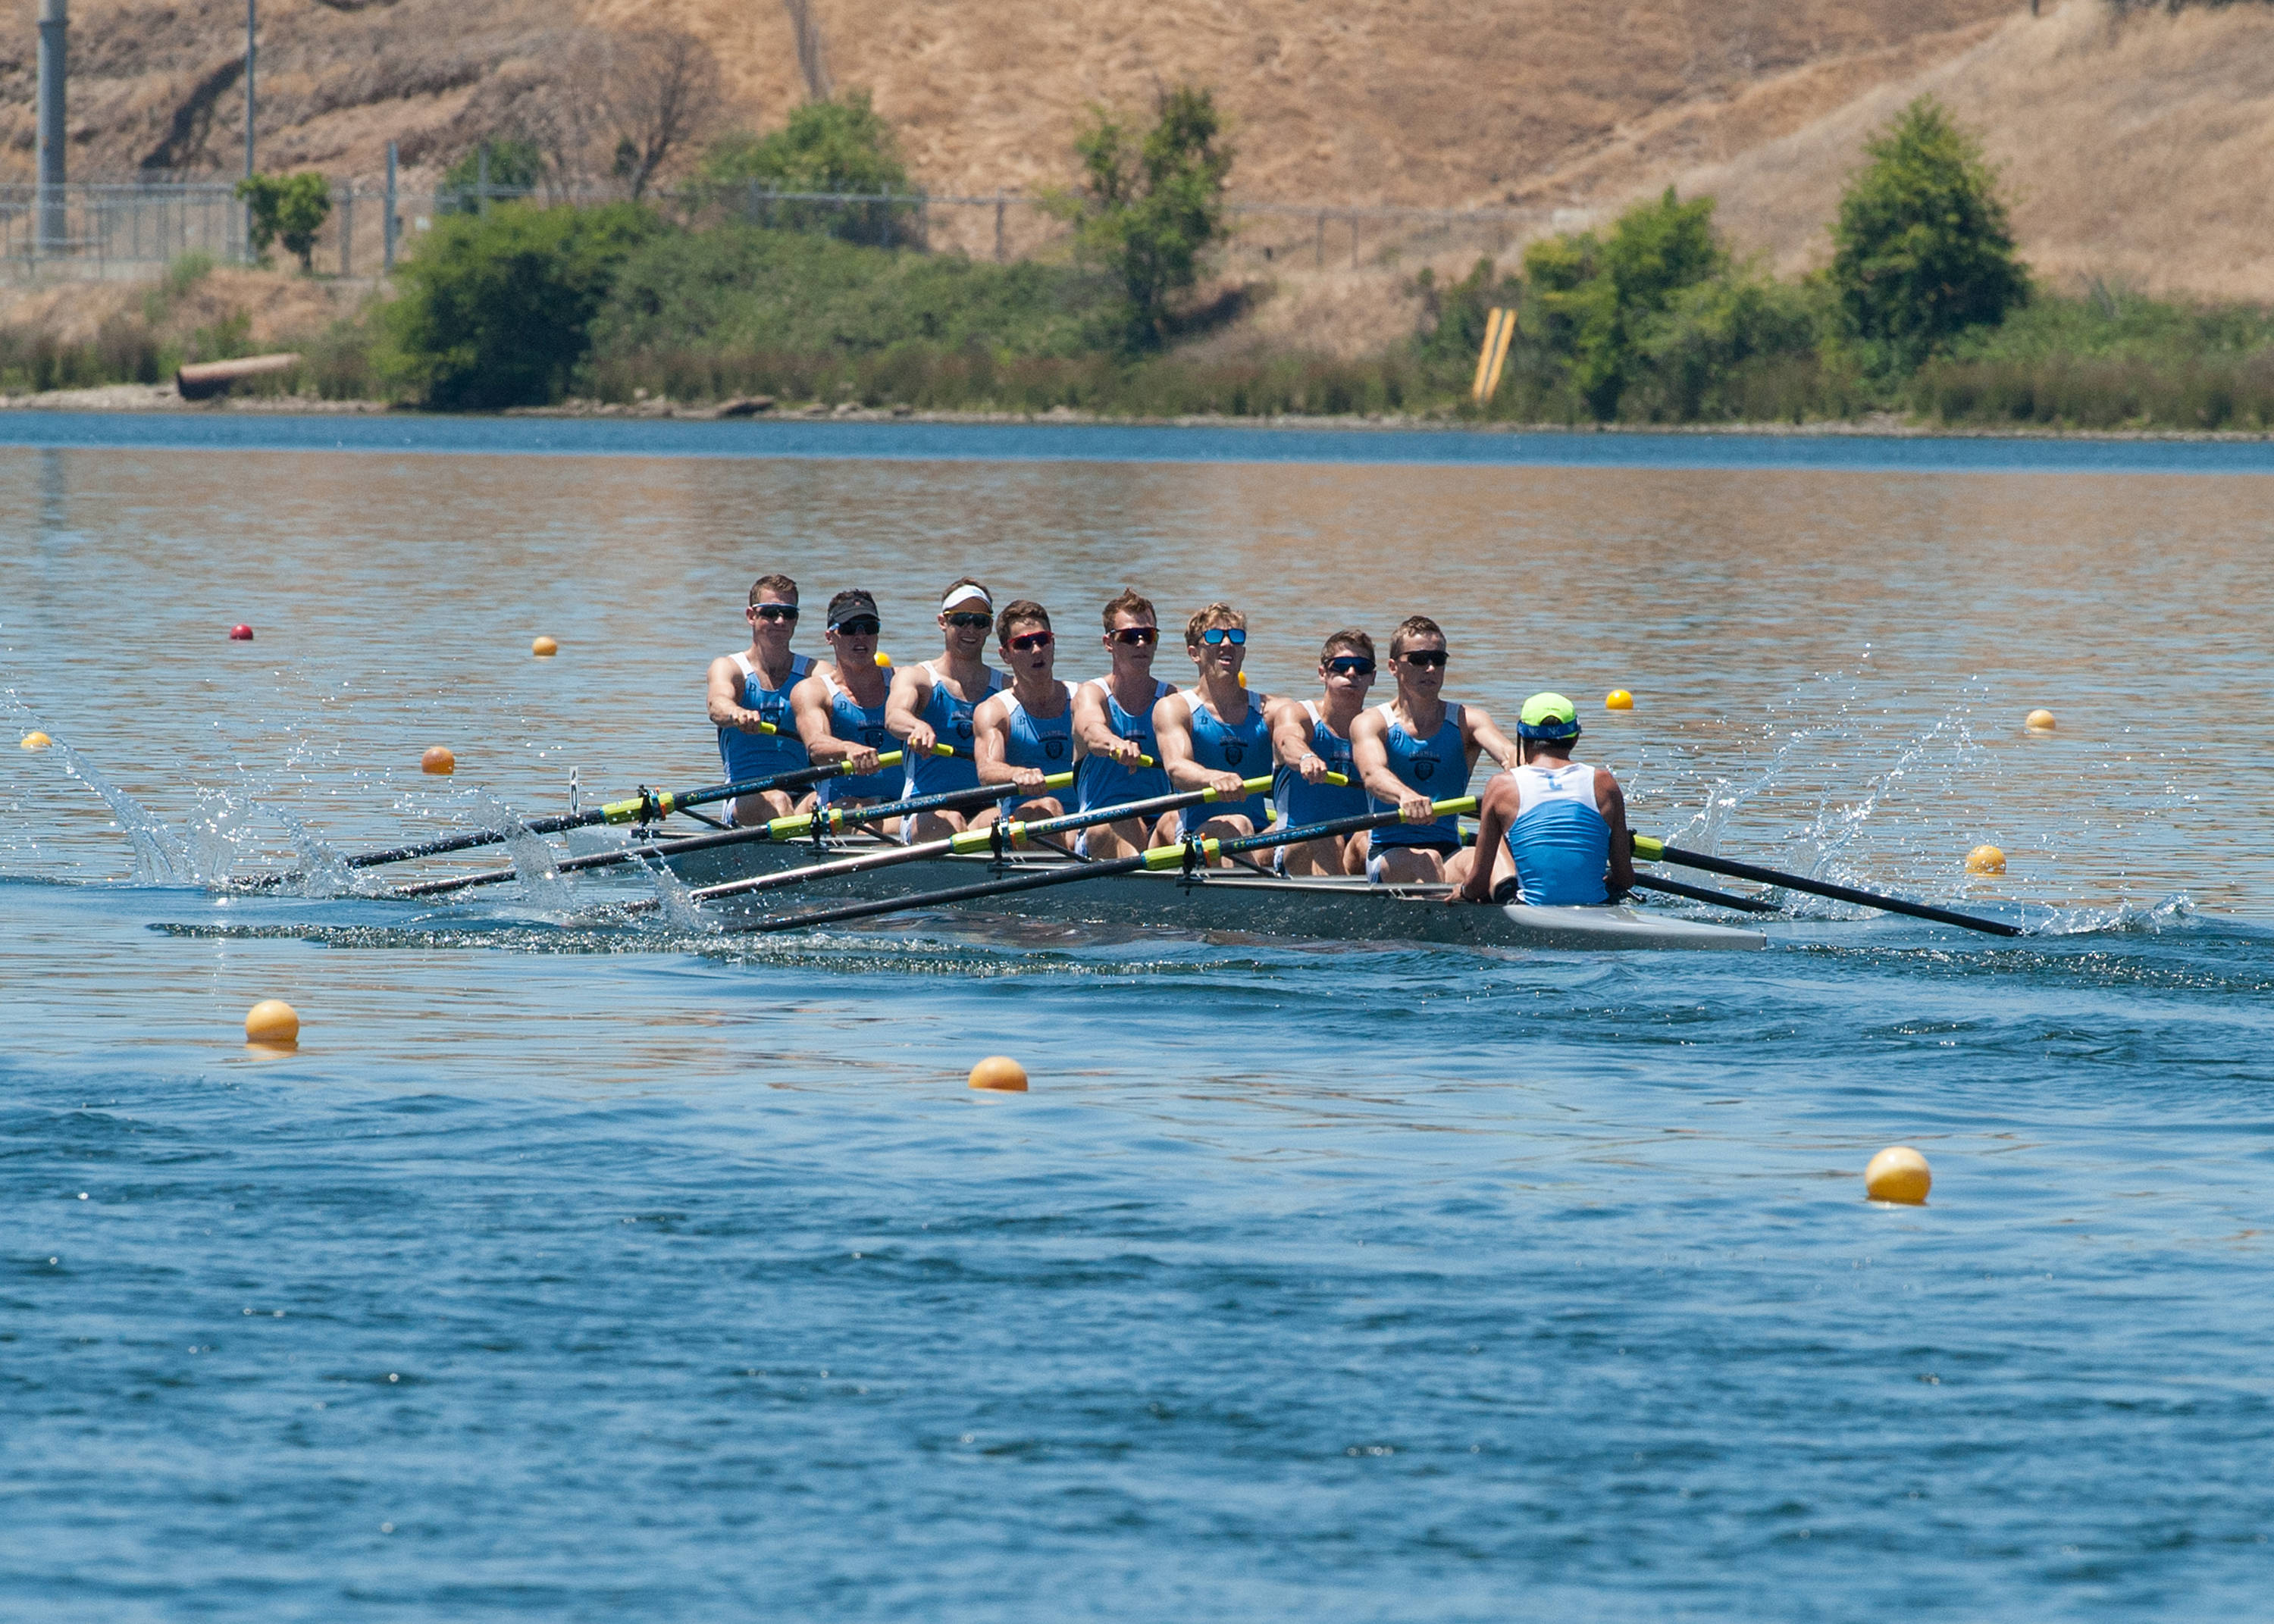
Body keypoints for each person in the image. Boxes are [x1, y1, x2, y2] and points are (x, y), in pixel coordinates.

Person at [1350, 615, 1518, 886]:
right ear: (1393, 667)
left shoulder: (1468, 720)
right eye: (1418, 660)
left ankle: (1512, 900)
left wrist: (1519, 767)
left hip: (1450, 849)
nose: (1430, 668)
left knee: (1495, 854)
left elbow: (1509, 753)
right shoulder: (1372, 722)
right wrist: (1405, 795)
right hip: (1389, 851)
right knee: (1425, 859)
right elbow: (1373, 774)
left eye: (1438, 660)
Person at [1456, 692, 1633, 906]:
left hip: (1528, 911)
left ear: (1522, 736)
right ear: (1575, 738)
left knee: (1502, 836)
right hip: (1597, 906)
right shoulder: (1605, 784)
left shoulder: (1501, 786)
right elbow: (1625, 879)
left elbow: (1478, 886)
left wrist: (1464, 892)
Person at [1151, 602, 1276, 860]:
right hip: (1197, 835)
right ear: (1194, 653)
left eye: (1236, 637)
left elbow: (1295, 737)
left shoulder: (1272, 710)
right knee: (1237, 824)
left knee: (1311, 824)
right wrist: (1212, 777)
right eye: (1216, 636)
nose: (1227, 643)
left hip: (1257, 833)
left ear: (1242, 652)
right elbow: (1176, 768)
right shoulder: (1175, 708)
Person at [887, 577, 1006, 841]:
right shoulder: (917, 678)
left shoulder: (1006, 688)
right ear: (943, 622)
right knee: (949, 820)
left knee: (1004, 819)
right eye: (961, 620)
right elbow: (894, 717)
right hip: (924, 806)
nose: (971, 629)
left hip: (985, 809)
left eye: (980, 621)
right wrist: (917, 726)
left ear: (989, 628)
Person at [1070, 588, 1176, 859]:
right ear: (1109, 643)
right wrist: (1116, 744)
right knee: (1123, 819)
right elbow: (1093, 732)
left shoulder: (1171, 699)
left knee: (1178, 819)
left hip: (1156, 827)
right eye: (1130, 637)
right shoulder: (1091, 694)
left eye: (1148, 636)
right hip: (1099, 829)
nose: (1141, 644)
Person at [704, 573, 813, 826]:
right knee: (778, 801)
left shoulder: (813, 673)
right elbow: (717, 705)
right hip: (745, 796)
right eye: (770, 612)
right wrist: (736, 714)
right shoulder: (730, 668)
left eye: (789, 613)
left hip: (803, 792)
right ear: (751, 616)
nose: (780, 620)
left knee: (826, 804)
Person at [1267, 628, 1377, 876]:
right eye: (1341, 666)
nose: (1351, 673)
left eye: (1361, 667)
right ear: (1322, 673)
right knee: (1326, 837)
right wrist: (1306, 757)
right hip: (1298, 843)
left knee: (1371, 838)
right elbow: (1288, 741)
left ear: (1373, 676)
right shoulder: (1299, 715)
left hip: (1353, 851)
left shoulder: (1377, 728)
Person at [789, 590, 900, 830]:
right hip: (840, 807)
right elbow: (816, 746)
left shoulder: (904, 682)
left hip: (902, 806)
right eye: (850, 628)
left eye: (869, 627)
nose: (861, 636)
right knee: (860, 813)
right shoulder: (813, 690)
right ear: (830, 636)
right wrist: (847, 748)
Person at [970, 599, 1073, 830]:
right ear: (1005, 654)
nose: (1036, 650)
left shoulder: (1082, 699)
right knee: (1046, 806)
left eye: (1042, 640)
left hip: (1085, 822)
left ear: (1053, 643)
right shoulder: (995, 711)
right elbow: (987, 769)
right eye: (1023, 644)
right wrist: (1017, 773)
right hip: (1023, 825)